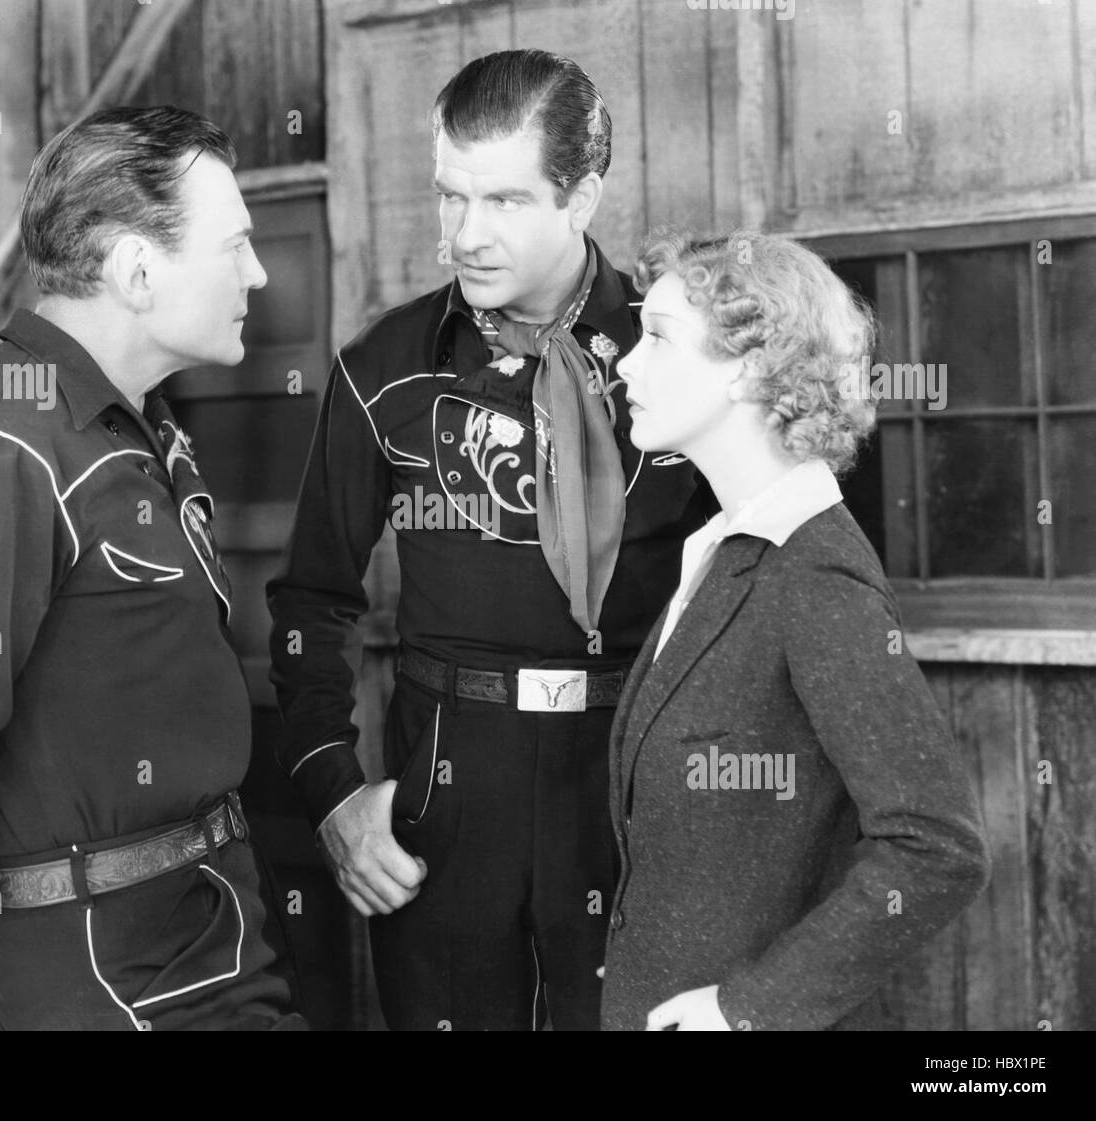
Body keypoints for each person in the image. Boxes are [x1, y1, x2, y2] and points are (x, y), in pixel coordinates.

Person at [267, 50, 712, 1030]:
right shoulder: (384, 368)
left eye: (504, 200)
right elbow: (310, 599)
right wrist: (331, 786)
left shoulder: (683, 351)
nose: (465, 235)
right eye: (449, 196)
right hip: (448, 785)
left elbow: (765, 581)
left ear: (583, 191)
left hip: (636, 777)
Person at [0, 106, 306, 1031]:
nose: (256, 273)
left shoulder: (132, 425)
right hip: (113, 965)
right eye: (236, 246)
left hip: (209, 920)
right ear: (137, 271)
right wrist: (33, 888)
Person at [601, 227, 991, 1031]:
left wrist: (749, 1009)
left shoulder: (814, 573)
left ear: (749, 366)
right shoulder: (729, 549)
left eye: (658, 337)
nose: (625, 362)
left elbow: (937, 844)